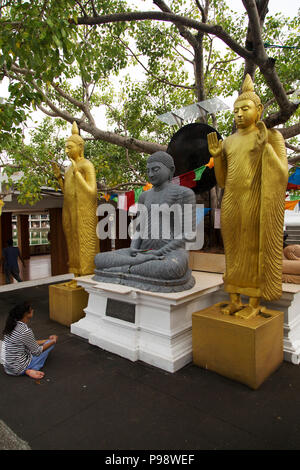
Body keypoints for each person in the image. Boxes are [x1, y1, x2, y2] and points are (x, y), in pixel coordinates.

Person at [207, 74, 288, 319]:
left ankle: (253, 301)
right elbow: (221, 181)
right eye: (235, 111)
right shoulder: (229, 142)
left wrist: (266, 149)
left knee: (253, 250)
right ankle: (234, 299)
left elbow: (282, 174)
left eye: (245, 108)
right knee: (231, 252)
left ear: (259, 109)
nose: (239, 114)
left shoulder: (271, 136)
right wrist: (218, 156)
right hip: (231, 201)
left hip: (254, 201)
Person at [94, 151, 196, 292]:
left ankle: (125, 269)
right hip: (142, 252)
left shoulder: (184, 194)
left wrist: (160, 252)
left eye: (155, 169)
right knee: (99, 259)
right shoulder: (144, 196)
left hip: (170, 253)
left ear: (171, 170)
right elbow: (139, 229)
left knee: (171, 268)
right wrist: (134, 249)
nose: (151, 174)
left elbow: (189, 233)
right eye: (148, 170)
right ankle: (134, 265)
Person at [52, 122, 98, 277]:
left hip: (83, 211)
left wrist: (78, 174)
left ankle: (86, 273)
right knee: (71, 242)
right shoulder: (69, 168)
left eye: (69, 147)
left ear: (80, 147)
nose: (66, 151)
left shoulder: (86, 165)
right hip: (69, 209)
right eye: (66, 147)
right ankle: (75, 273)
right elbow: (68, 192)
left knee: (83, 241)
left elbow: (91, 192)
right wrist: (59, 178)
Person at [2, 302, 58, 380]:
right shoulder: (25, 331)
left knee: (42, 344)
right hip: (18, 369)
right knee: (49, 346)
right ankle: (30, 370)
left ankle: (28, 370)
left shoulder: (11, 325)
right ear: (26, 314)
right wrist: (53, 341)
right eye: (31, 310)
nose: (33, 310)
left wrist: (47, 340)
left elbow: (30, 343)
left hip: (8, 368)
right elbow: (37, 352)